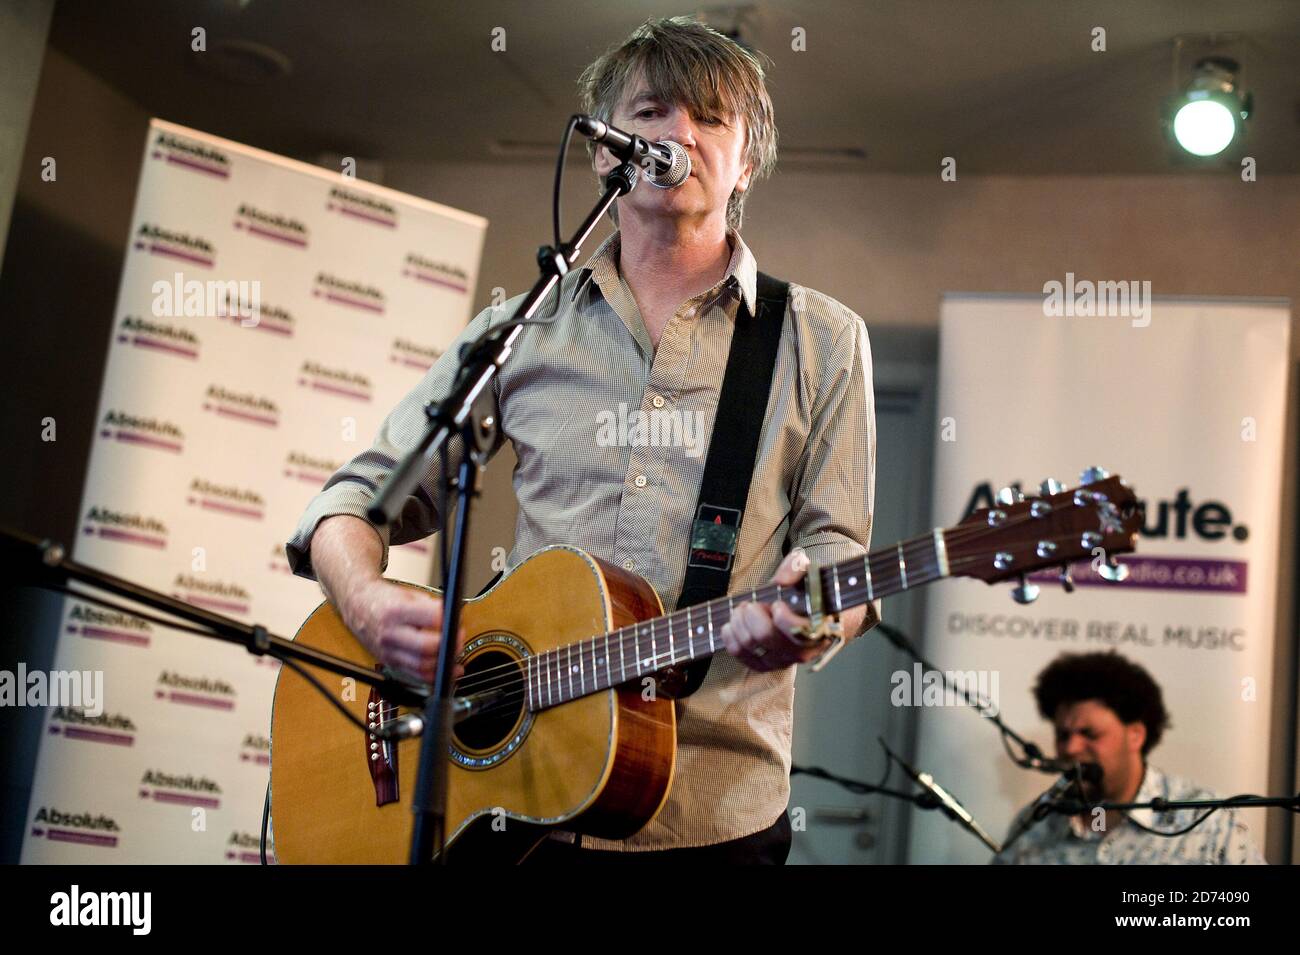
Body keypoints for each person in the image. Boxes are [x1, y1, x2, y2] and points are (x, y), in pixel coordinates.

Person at [285, 15, 878, 863]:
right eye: (650, 111)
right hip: (506, 803)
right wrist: (369, 604)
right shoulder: (523, 329)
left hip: (711, 816)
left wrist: (810, 616)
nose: (677, 133)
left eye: (710, 119)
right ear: (604, 150)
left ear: (747, 163)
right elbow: (352, 502)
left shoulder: (820, 340)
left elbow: (838, 550)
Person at [992, 651, 1265, 864]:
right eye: (1063, 735)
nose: (1071, 748)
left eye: (1090, 733)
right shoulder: (1035, 824)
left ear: (1135, 735)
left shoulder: (1205, 819)